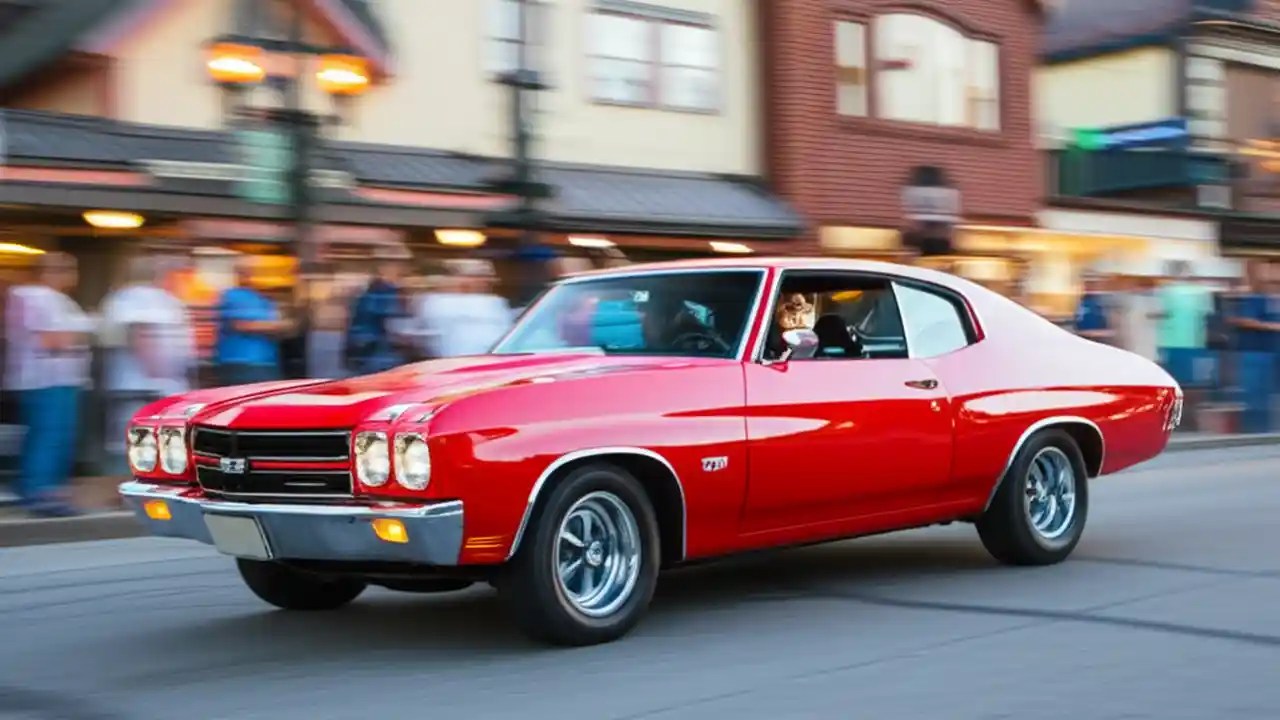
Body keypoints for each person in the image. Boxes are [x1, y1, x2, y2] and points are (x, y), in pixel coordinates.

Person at [5, 253, 93, 517]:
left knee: (50, 436)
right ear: (49, 271)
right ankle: (42, 492)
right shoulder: (36, 298)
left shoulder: (57, 300)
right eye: (67, 269)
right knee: (51, 437)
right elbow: (51, 341)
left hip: (59, 379)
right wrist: (88, 330)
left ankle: (37, 488)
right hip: (47, 379)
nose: (73, 275)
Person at [99, 255, 196, 475]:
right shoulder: (141, 298)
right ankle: (138, 487)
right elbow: (141, 332)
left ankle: (135, 486)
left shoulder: (123, 298)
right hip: (147, 384)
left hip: (143, 384)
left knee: (140, 438)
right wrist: (159, 372)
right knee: (151, 439)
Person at [214, 255, 291, 386]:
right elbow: (241, 325)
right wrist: (278, 326)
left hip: (265, 363)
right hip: (241, 364)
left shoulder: (262, 299)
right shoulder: (232, 295)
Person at [346, 250, 413, 374]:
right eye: (399, 267)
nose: (402, 271)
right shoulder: (386, 292)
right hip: (379, 350)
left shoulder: (369, 291)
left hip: (368, 348)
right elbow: (394, 322)